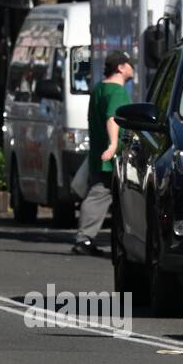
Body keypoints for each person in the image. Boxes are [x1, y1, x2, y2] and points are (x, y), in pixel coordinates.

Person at [72, 50, 134, 256]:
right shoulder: (117, 92)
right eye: (129, 63)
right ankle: (84, 239)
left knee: (104, 195)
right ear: (121, 68)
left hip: (99, 152)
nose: (132, 67)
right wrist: (114, 145)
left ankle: (111, 240)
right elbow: (113, 118)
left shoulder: (99, 88)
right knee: (99, 194)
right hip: (111, 157)